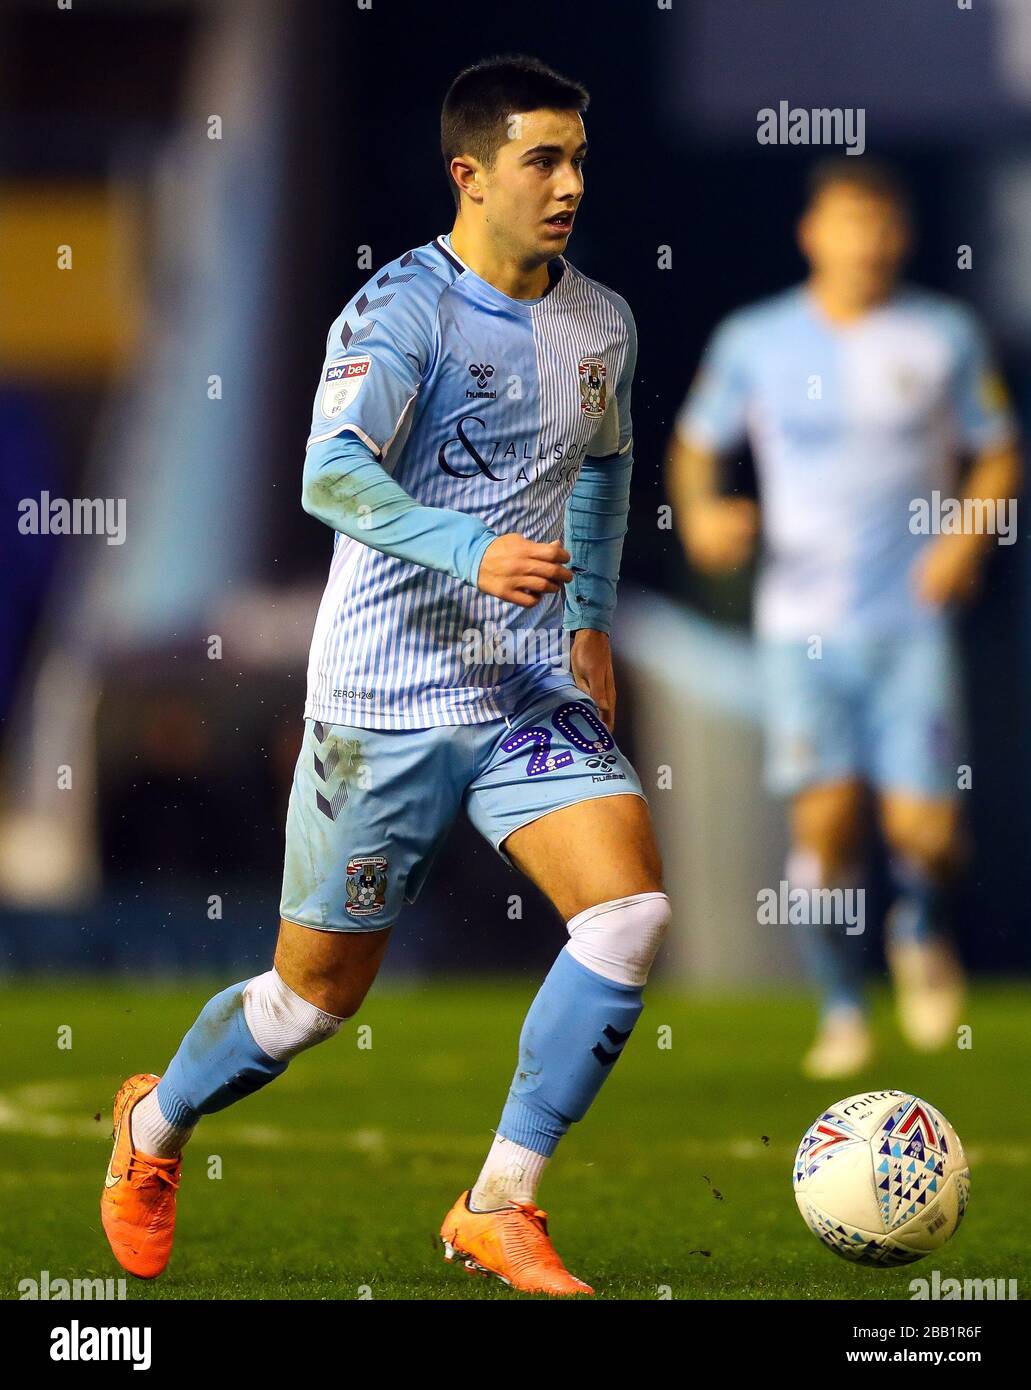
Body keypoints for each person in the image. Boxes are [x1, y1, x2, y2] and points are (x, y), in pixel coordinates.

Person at [101, 54, 670, 1297]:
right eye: (541, 159)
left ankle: (495, 1203)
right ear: (470, 174)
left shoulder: (603, 322)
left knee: (625, 916)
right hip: (383, 704)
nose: (569, 182)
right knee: (310, 1003)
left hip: (522, 689)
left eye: (578, 157)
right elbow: (330, 476)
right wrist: (475, 548)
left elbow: (606, 471)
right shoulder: (399, 310)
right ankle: (151, 1127)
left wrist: (587, 621)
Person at [668, 159, 1019, 1079]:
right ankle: (839, 1006)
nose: (861, 243)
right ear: (811, 234)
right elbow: (695, 448)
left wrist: (963, 538)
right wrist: (704, 513)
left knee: (925, 835)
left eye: (877, 226)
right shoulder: (757, 340)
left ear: (896, 237)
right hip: (799, 626)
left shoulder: (941, 335)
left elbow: (995, 454)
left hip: (907, 625)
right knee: (822, 831)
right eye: (844, 224)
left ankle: (918, 926)